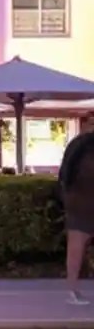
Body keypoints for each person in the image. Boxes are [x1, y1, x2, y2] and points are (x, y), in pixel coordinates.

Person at [58, 129, 94, 305]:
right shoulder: (86, 147)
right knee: (77, 244)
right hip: (85, 199)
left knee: (76, 245)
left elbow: (64, 172)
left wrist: (65, 193)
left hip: (75, 199)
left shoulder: (78, 144)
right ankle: (72, 289)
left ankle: (72, 289)